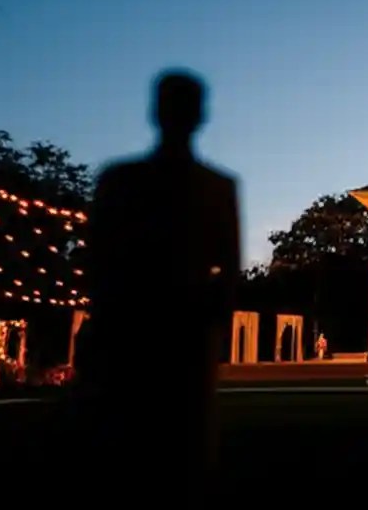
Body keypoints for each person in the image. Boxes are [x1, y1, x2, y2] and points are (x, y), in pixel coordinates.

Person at [80, 70, 241, 506]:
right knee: (172, 458)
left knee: (140, 457)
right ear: (203, 115)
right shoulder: (216, 186)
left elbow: (97, 263)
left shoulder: (120, 179)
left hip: (139, 333)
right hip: (169, 335)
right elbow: (227, 275)